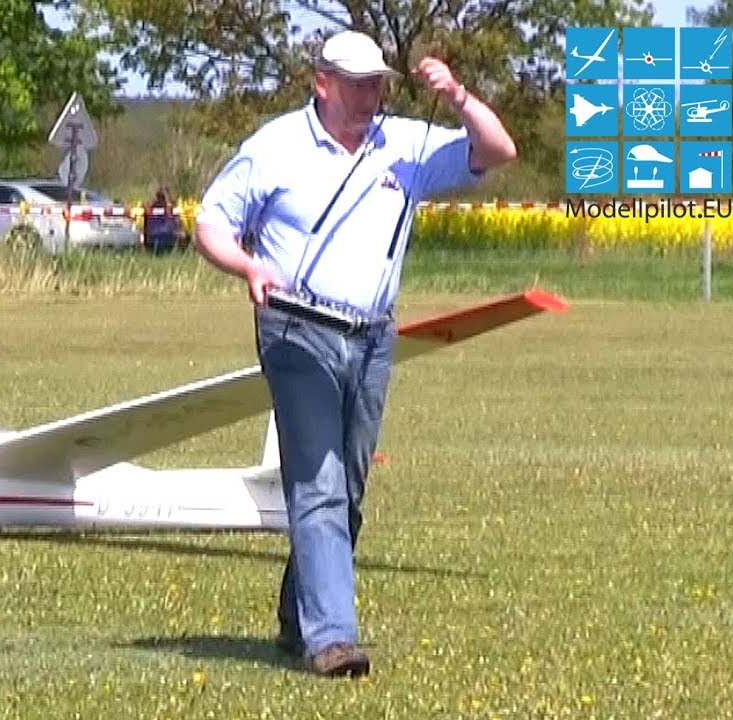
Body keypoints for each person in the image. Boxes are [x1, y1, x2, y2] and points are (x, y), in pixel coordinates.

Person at [193, 30, 516, 678]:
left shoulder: (403, 142)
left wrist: (453, 95)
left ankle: (298, 613)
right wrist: (249, 268)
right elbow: (210, 222)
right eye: (359, 82)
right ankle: (332, 638)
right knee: (316, 483)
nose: (372, 94)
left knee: (349, 486)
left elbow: (497, 149)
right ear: (323, 82)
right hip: (295, 331)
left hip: (372, 337)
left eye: (379, 84)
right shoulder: (276, 147)